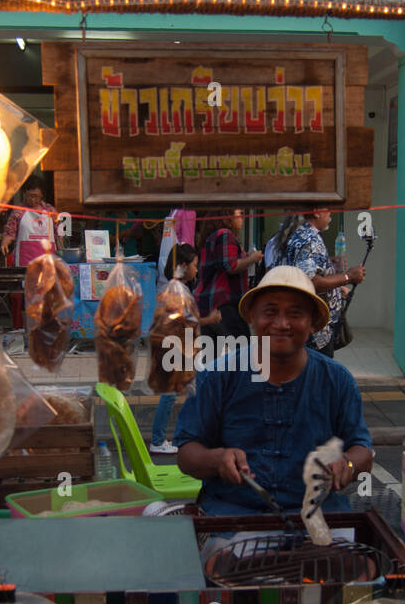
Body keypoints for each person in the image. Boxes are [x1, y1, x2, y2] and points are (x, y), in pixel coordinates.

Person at [175, 265, 373, 517]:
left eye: (295, 313)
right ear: (253, 318)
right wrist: (218, 458)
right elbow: (186, 454)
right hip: (233, 516)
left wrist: (348, 463)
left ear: (312, 323)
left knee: (361, 559)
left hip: (320, 515)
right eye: (270, 312)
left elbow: (363, 451)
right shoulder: (216, 376)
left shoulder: (337, 380)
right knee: (221, 559)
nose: (281, 324)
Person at [150, 243, 219, 454]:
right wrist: (211, 319)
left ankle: (193, 434)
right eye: (194, 265)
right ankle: (158, 440)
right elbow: (187, 322)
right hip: (176, 348)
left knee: (192, 390)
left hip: (179, 348)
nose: (196, 270)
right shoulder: (177, 290)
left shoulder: (176, 288)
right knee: (172, 393)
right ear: (182, 266)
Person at [284, 206, 365, 358]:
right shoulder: (309, 239)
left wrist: (335, 283)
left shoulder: (305, 235)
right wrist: (348, 277)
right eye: (328, 209)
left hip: (315, 327)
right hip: (315, 332)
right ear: (316, 211)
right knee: (316, 377)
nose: (330, 214)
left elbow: (310, 274)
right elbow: (310, 281)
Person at [0, 176, 59, 325]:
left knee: (48, 295)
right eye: (31, 196)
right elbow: (10, 230)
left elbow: (59, 232)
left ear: (42, 196)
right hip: (27, 260)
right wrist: (5, 242)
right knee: (30, 296)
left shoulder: (50, 211)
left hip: (47, 259)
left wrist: (62, 247)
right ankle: (30, 329)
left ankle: (46, 327)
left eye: (37, 196)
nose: (34, 200)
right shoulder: (18, 212)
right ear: (25, 194)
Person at [195, 208, 261, 340]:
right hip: (224, 303)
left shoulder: (214, 236)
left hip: (212, 303)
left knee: (213, 353)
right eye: (240, 214)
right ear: (228, 216)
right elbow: (230, 266)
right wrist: (252, 258)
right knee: (241, 349)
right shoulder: (225, 234)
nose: (242, 218)